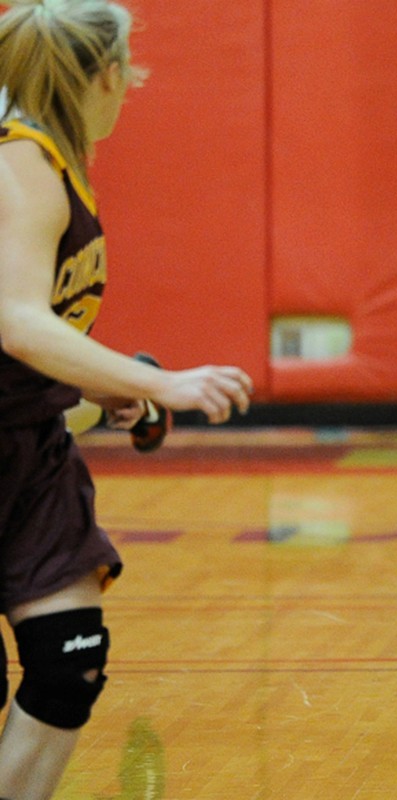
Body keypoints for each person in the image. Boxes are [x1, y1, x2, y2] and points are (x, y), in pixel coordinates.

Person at [0, 2, 254, 796]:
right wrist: (154, 382)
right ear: (107, 75)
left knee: (69, 659)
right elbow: (14, 322)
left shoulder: (52, 164)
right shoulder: (23, 166)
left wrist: (111, 389)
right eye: (128, 75)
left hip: (27, 452)